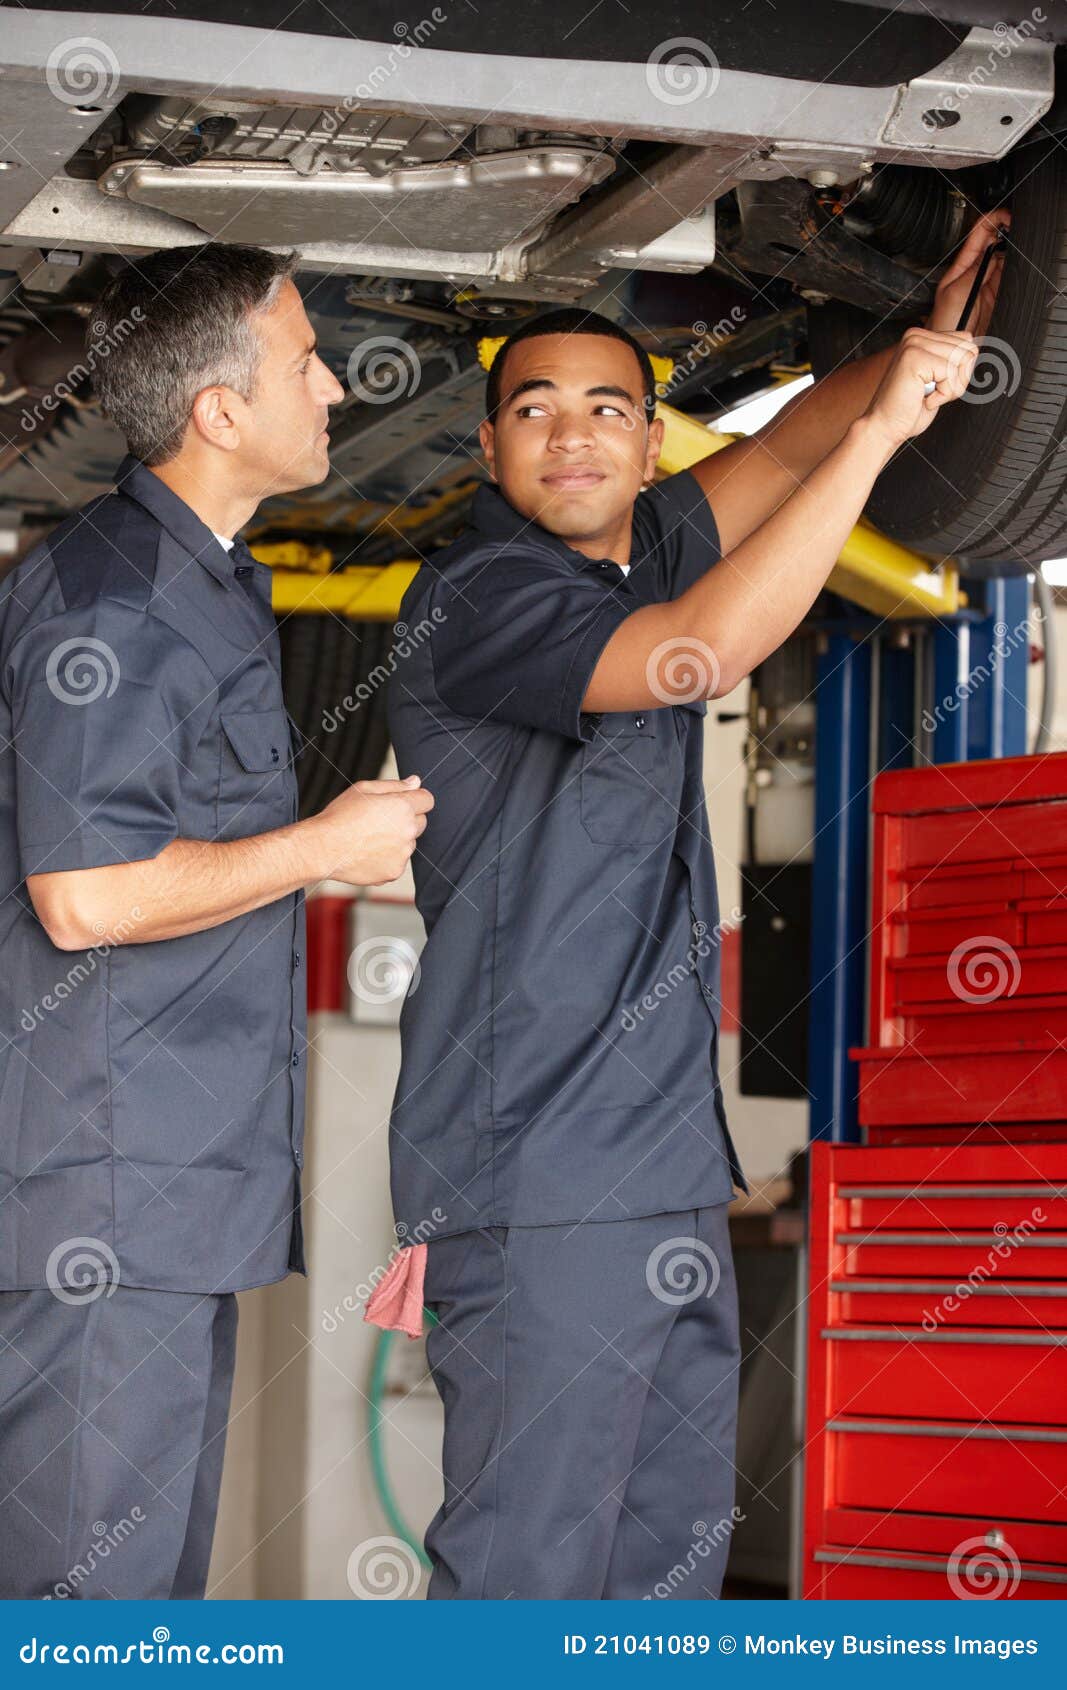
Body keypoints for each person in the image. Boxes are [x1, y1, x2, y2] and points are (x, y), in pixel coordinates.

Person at [370, 212, 1007, 1598]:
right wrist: (886, 433)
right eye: (533, 412)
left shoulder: (641, 546)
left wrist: (923, 347)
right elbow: (696, 654)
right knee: (528, 1583)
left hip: (657, 1179)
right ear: (488, 451)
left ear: (653, 445)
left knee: (664, 1577)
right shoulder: (479, 593)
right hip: (539, 1181)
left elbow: (775, 452)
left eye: (611, 408)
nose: (573, 435)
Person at [0, 243, 433, 1599]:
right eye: (303, 356)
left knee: (145, 1602)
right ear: (219, 412)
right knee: (84, 1609)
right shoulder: (116, 601)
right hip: (107, 1208)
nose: (331, 382)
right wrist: (320, 845)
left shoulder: (205, 589)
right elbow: (85, 896)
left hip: (167, 1205)